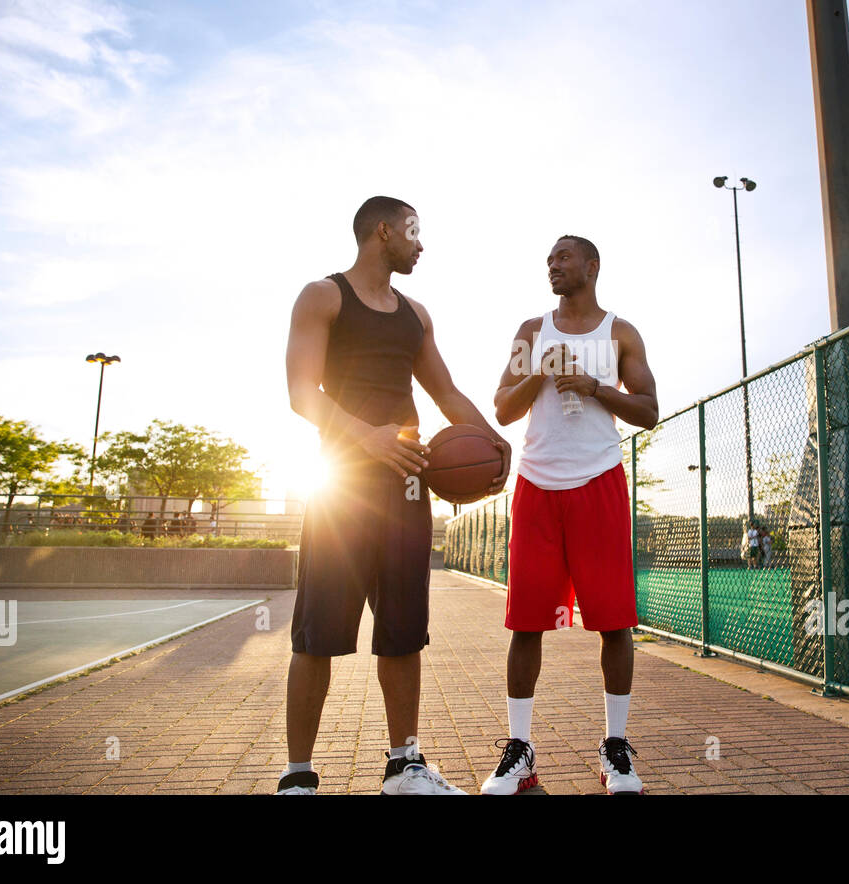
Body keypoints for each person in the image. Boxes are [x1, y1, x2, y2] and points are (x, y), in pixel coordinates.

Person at [281, 195, 511, 796]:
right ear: (382, 232)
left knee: (404, 631)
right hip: (342, 487)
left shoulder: (416, 314)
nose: (421, 243)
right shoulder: (323, 296)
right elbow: (301, 392)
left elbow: (447, 392)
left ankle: (404, 767)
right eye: (413, 231)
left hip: (407, 486)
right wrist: (367, 438)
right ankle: (298, 778)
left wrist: (492, 437)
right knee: (317, 634)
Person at [482, 234, 658, 795]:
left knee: (614, 622)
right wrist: (540, 370)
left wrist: (596, 387)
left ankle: (615, 750)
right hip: (537, 484)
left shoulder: (621, 333)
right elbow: (503, 407)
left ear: (591, 266)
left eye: (563, 257)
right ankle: (520, 752)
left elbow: (650, 410)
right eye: (549, 259)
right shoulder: (531, 331)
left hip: (598, 483)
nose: (553, 265)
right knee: (526, 621)